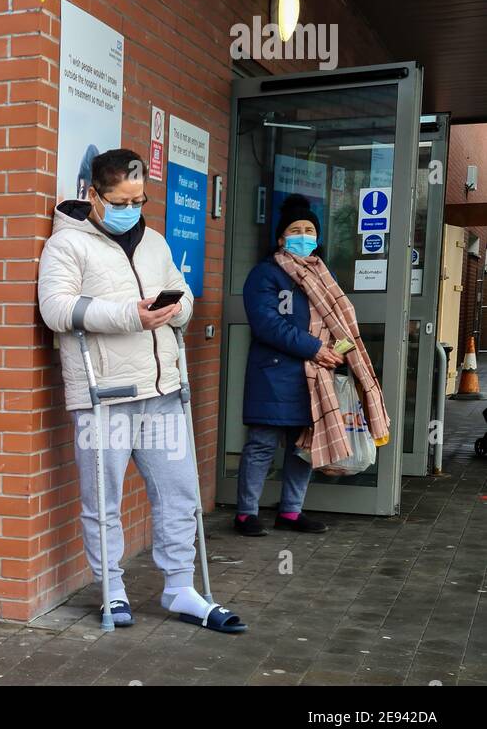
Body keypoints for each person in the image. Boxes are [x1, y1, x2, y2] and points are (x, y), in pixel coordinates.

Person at [38, 148, 247, 633]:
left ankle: (180, 588)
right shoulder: (67, 245)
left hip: (164, 392)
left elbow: (183, 291)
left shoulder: (154, 241)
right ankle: (111, 591)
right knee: (103, 500)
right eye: (121, 199)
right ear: (93, 194)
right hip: (103, 398)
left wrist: (177, 308)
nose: (132, 207)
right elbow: (57, 309)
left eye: (140, 199)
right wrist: (132, 314)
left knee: (179, 495)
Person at [235, 194, 387, 534]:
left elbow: (340, 326)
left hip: (315, 377)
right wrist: (315, 348)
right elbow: (267, 324)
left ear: (317, 238)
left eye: (309, 230)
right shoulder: (266, 275)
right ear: (280, 238)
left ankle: (290, 511)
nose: (303, 235)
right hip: (274, 374)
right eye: (295, 230)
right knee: (262, 444)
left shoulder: (323, 276)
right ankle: (246, 513)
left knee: (303, 446)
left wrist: (340, 351)